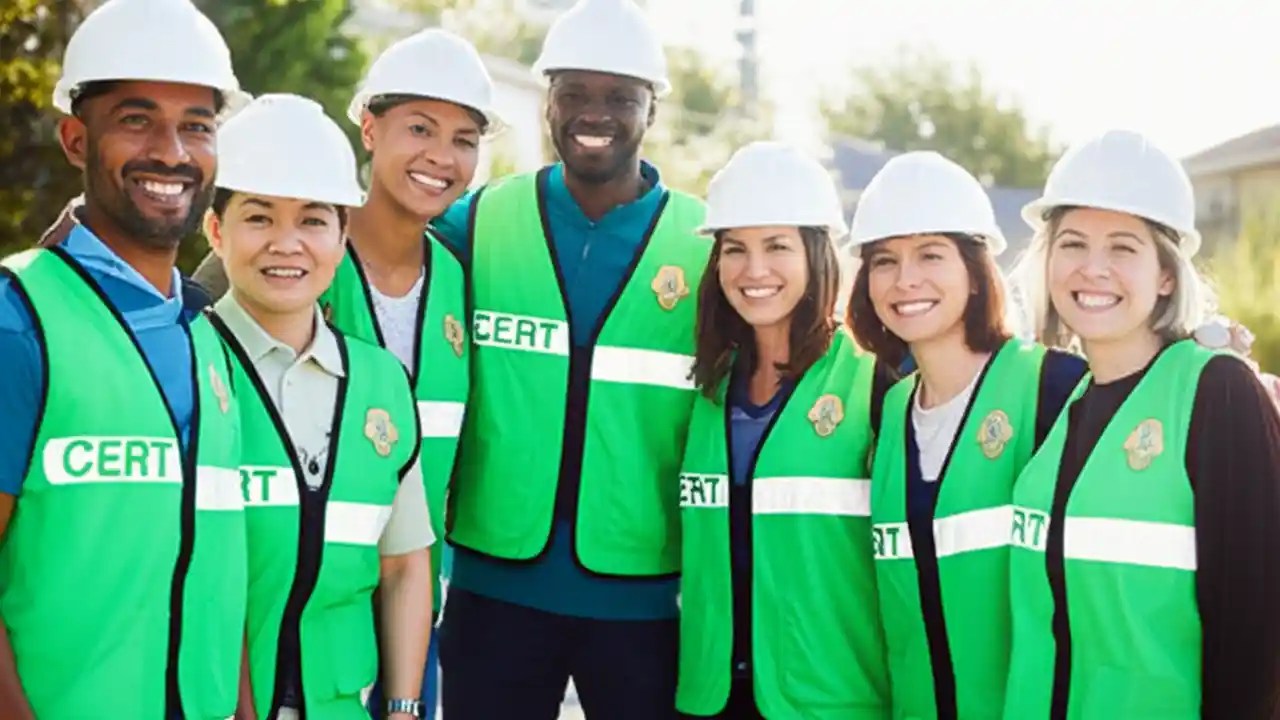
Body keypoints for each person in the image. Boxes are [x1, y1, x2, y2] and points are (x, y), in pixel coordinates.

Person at [428, 0, 712, 716]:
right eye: (575, 93)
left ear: (652, 111)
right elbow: (358, 249)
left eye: (620, 97)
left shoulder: (704, 242)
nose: (596, 113)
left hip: (645, 598)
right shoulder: (479, 220)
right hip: (493, 588)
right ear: (547, 102)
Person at [0, 0, 248, 717]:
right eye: (136, 120)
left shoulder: (206, 335)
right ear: (77, 139)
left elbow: (214, 563)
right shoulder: (20, 321)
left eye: (196, 126)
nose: (171, 152)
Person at [1004, 129, 1280, 719]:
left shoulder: (1217, 392)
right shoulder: (1066, 404)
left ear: (1166, 276)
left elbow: (1258, 637)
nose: (1092, 269)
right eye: (1073, 244)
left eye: (1124, 248)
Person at [202, 94, 434, 720]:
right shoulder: (181, 363)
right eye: (258, 218)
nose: (287, 244)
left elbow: (406, 566)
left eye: (311, 220)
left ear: (341, 233)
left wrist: (405, 707)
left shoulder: (382, 382)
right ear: (216, 230)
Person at [844, 151, 1086, 720]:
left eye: (931, 255)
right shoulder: (888, 408)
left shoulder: (1052, 387)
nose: (906, 280)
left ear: (976, 273)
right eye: (885, 261)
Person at [676, 142, 892, 719]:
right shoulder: (708, 390)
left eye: (777, 247)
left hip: (830, 700)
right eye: (735, 249)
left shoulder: (875, 383)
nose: (754, 270)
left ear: (817, 254)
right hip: (710, 696)